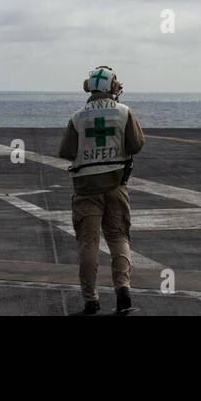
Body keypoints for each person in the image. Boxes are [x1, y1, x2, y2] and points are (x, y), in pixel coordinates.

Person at [58, 65, 145, 316]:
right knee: (118, 238)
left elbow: (66, 151)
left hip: (86, 188)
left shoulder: (77, 117)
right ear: (112, 85)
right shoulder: (124, 112)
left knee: (88, 244)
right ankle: (123, 291)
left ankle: (90, 299)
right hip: (116, 186)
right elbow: (136, 144)